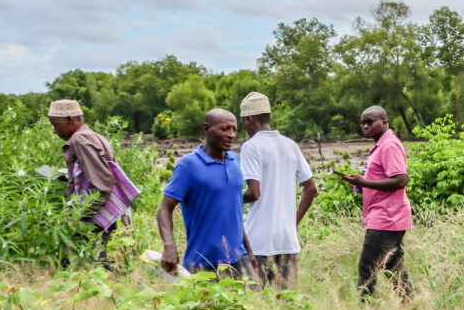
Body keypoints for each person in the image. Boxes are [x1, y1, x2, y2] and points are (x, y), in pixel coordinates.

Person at [237, 92, 318, 289]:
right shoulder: (289, 144)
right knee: (287, 303)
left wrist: (228, 199)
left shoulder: (251, 146)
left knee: (255, 304)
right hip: (288, 240)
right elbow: (311, 188)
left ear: (249, 119)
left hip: (259, 241)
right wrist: (293, 222)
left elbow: (254, 193)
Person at [157, 109, 252, 276]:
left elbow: (234, 210)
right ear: (207, 129)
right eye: (225, 129)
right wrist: (169, 246)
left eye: (234, 129)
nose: (231, 135)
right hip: (203, 263)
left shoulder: (234, 161)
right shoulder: (189, 166)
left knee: (257, 301)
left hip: (239, 259)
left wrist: (249, 252)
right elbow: (165, 208)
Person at [47, 99, 140, 266]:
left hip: (92, 220)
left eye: (56, 125)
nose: (54, 131)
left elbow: (102, 182)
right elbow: (93, 175)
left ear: (70, 120)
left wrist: (80, 217)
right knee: (98, 264)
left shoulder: (80, 140)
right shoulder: (93, 136)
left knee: (93, 267)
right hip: (100, 217)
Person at [337, 106, 413, 298]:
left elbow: (400, 180)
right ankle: (410, 304)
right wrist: (361, 185)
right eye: (363, 122)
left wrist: (363, 181)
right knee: (393, 265)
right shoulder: (382, 144)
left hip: (387, 216)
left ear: (384, 122)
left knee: (367, 267)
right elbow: (385, 179)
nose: (365, 126)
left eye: (370, 121)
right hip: (388, 216)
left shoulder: (389, 145)